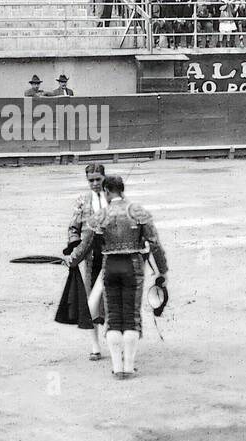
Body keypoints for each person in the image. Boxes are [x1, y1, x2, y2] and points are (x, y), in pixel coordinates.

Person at [64, 175, 169, 380]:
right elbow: (155, 245)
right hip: (133, 267)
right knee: (131, 316)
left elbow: (84, 246)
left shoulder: (101, 215)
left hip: (110, 267)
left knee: (113, 317)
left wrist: (72, 260)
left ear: (106, 191)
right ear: (122, 190)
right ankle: (128, 368)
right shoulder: (137, 211)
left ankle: (116, 367)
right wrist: (162, 271)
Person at [56, 163, 108, 360]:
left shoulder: (113, 199)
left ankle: (111, 343)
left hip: (111, 255)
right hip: (90, 257)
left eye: (98, 179)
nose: (94, 183)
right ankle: (95, 347)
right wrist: (73, 251)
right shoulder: (82, 202)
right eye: (91, 180)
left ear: (104, 178)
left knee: (110, 301)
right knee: (90, 303)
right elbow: (73, 228)